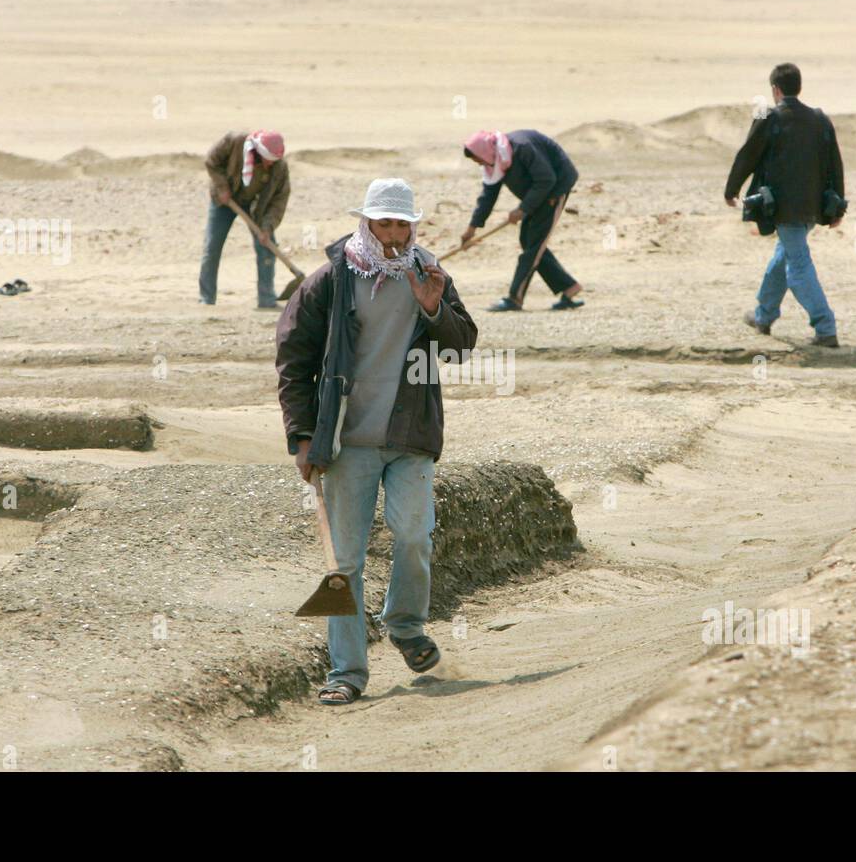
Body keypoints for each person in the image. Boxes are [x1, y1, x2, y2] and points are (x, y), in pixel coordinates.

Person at [275, 178, 479, 705]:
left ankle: (406, 627)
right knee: (344, 561)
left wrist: (434, 310)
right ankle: (346, 673)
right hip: (346, 441)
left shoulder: (430, 274)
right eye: (383, 223)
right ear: (365, 223)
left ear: (414, 227)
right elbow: (294, 360)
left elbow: (460, 351)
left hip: (410, 434)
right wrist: (301, 436)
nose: (392, 233)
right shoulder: (330, 279)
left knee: (414, 535)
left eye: (401, 224)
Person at [724, 63, 845, 347]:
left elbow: (748, 156)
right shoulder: (819, 119)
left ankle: (825, 328)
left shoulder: (769, 116)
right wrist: (838, 206)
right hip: (814, 207)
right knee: (783, 258)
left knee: (798, 267)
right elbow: (834, 164)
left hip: (784, 208)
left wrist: (732, 189)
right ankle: (763, 316)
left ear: (776, 89)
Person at [461, 130, 585, 312]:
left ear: (485, 151)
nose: (479, 163)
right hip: (537, 194)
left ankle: (515, 298)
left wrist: (522, 209)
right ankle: (569, 287)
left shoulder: (522, 148)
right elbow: (488, 196)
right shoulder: (495, 160)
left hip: (554, 190)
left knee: (533, 247)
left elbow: (546, 178)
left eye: (477, 159)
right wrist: (472, 228)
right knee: (528, 241)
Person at [200, 129, 290, 309]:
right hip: (224, 201)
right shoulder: (234, 141)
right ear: (259, 152)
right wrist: (222, 187)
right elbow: (212, 161)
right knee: (212, 248)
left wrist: (267, 227)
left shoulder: (279, 167)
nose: (269, 165)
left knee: (267, 248)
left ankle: (266, 299)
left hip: (256, 207)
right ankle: (206, 298)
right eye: (268, 160)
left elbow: (278, 202)